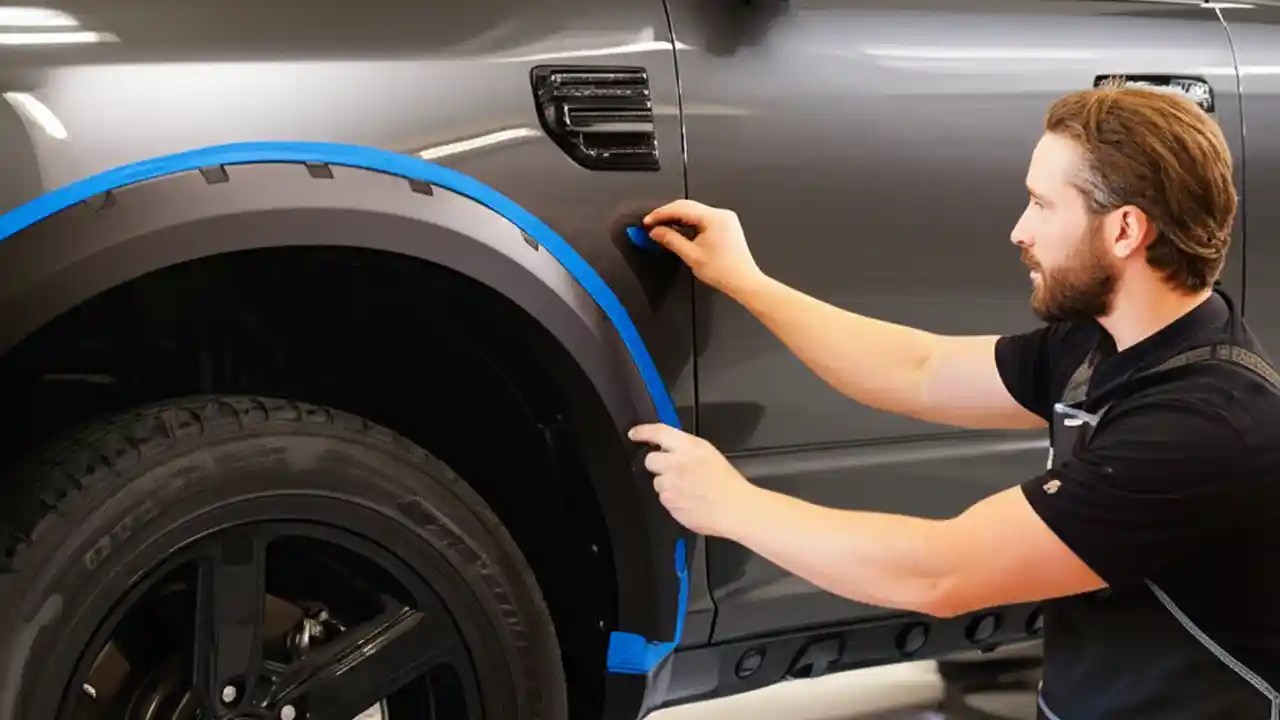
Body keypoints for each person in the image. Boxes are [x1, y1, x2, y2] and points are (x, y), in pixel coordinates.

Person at [629, 81, 1280, 718]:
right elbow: (918, 368)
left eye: (1043, 205)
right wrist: (746, 282)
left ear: (1125, 231)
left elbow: (942, 574)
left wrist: (733, 505)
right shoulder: (1103, 344)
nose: (1019, 231)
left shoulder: (1205, 422)